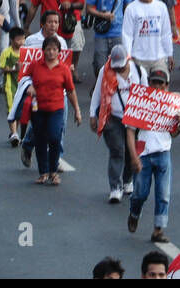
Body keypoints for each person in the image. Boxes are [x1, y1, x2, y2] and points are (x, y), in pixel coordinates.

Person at [126, 67, 180, 243]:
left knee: (163, 194)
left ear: (166, 85)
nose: (157, 86)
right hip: (143, 154)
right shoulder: (139, 101)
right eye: (154, 82)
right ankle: (134, 213)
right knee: (139, 193)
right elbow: (130, 131)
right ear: (149, 83)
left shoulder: (172, 104)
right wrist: (133, 157)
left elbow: (174, 133)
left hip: (163, 153)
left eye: (161, 83)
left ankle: (158, 230)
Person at [89, 45, 145, 203]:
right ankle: (115, 187)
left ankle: (128, 180)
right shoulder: (105, 71)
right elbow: (97, 93)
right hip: (112, 118)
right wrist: (93, 114)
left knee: (130, 151)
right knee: (117, 150)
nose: (119, 69)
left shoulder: (139, 71)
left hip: (133, 119)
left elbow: (147, 93)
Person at [28, 37, 81, 185]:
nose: (51, 52)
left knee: (54, 137)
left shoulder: (64, 69)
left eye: (54, 49)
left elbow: (70, 91)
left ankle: (53, 172)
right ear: (43, 50)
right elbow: (24, 79)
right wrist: (29, 87)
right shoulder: (35, 66)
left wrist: (77, 110)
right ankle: (43, 172)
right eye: (48, 49)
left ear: (59, 52)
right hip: (37, 109)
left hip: (56, 109)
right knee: (40, 140)